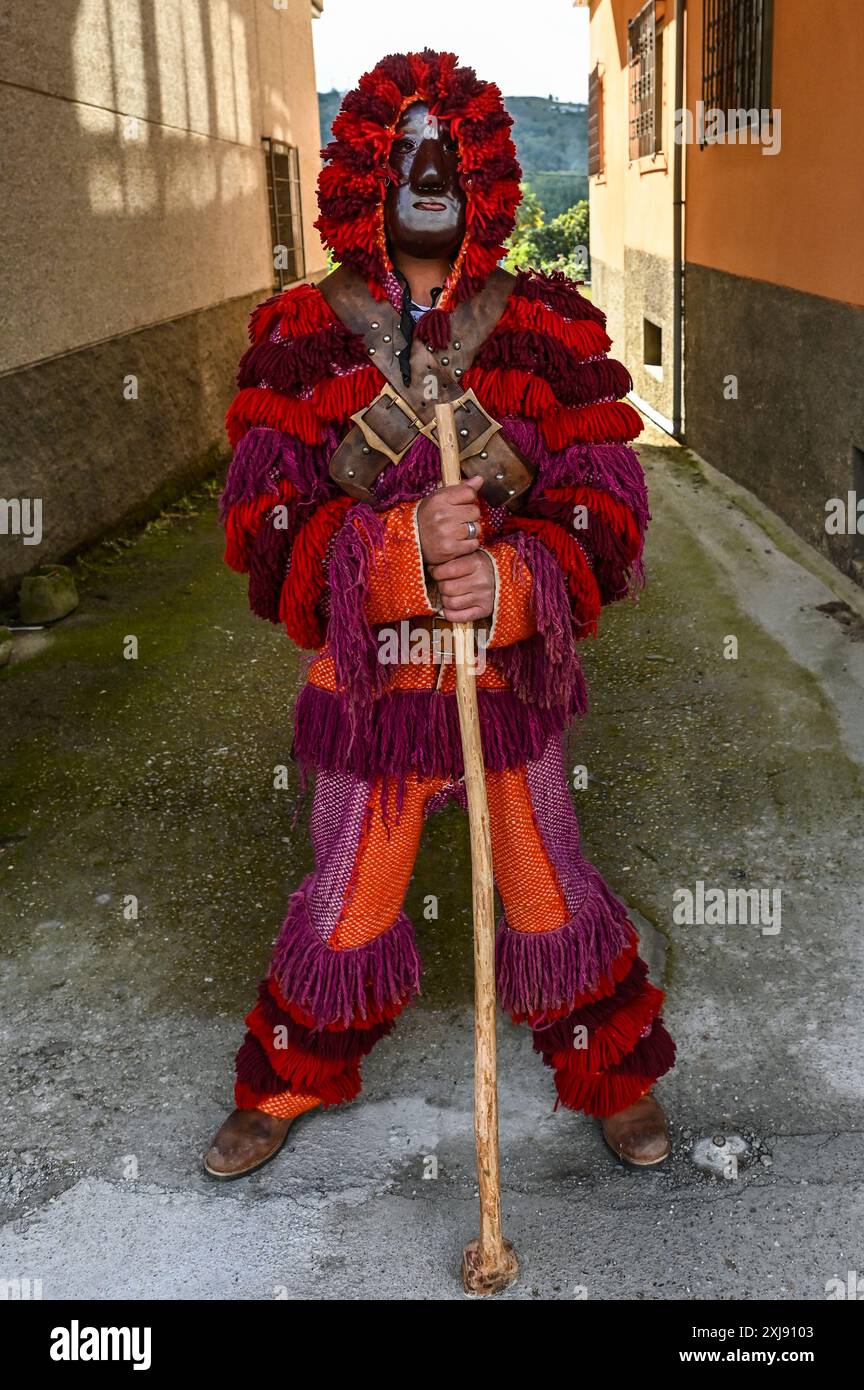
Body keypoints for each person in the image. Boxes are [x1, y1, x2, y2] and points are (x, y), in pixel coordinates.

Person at [204, 50, 675, 1180]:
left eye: (445, 152)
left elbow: (609, 511)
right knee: (348, 889)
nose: (425, 169)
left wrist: (514, 583)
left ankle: (608, 1069)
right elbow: (267, 533)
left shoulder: (546, 329)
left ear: (485, 176)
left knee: (546, 872)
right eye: (402, 148)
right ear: (364, 169)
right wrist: (401, 557)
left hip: (510, 683)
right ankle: (289, 1073)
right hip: (371, 693)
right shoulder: (302, 332)